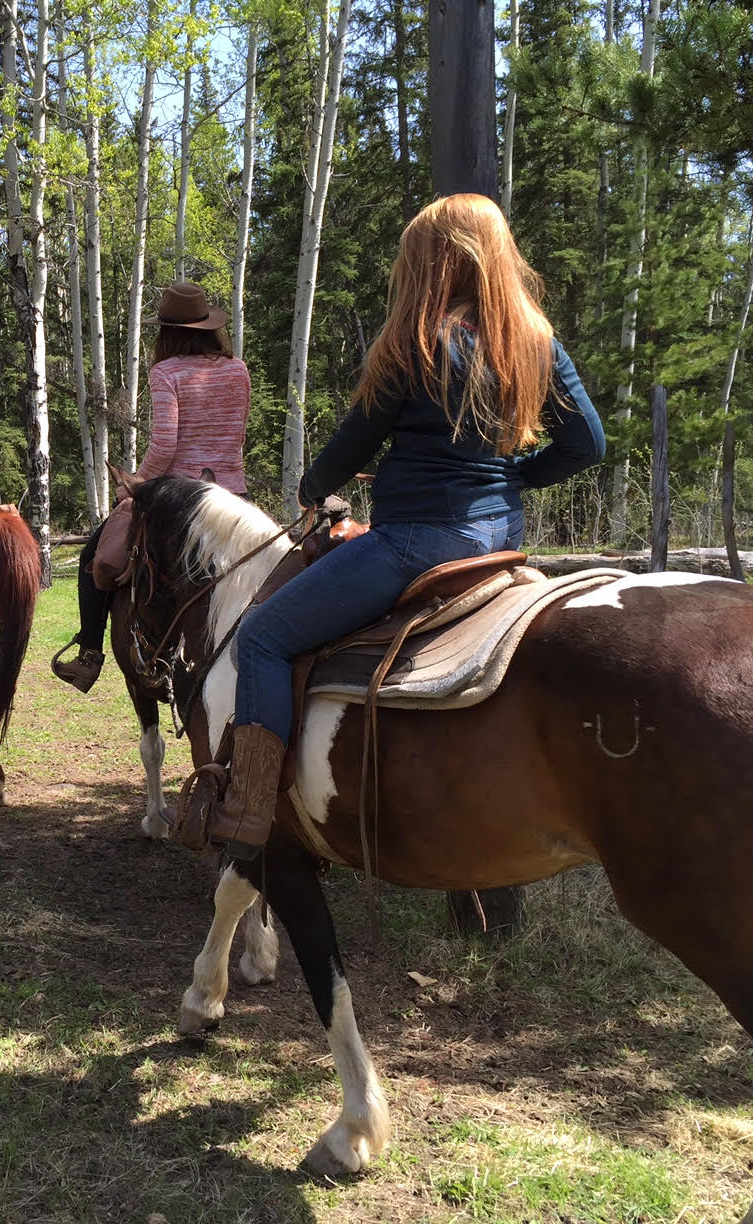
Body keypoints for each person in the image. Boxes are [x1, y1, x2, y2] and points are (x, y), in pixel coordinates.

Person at [187, 193, 606, 860]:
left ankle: (250, 809)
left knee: (264, 636)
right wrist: (514, 476)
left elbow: (354, 445)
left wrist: (311, 487)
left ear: (434, 263)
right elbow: (588, 445)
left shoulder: (411, 342)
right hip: (501, 541)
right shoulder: (536, 342)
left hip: (417, 543)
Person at [51, 281, 251, 692]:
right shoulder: (238, 369)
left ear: (168, 331)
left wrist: (136, 487)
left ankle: (89, 655)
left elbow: (165, 445)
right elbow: (236, 436)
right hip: (233, 500)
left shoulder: (167, 372)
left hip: (179, 501)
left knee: (96, 557)